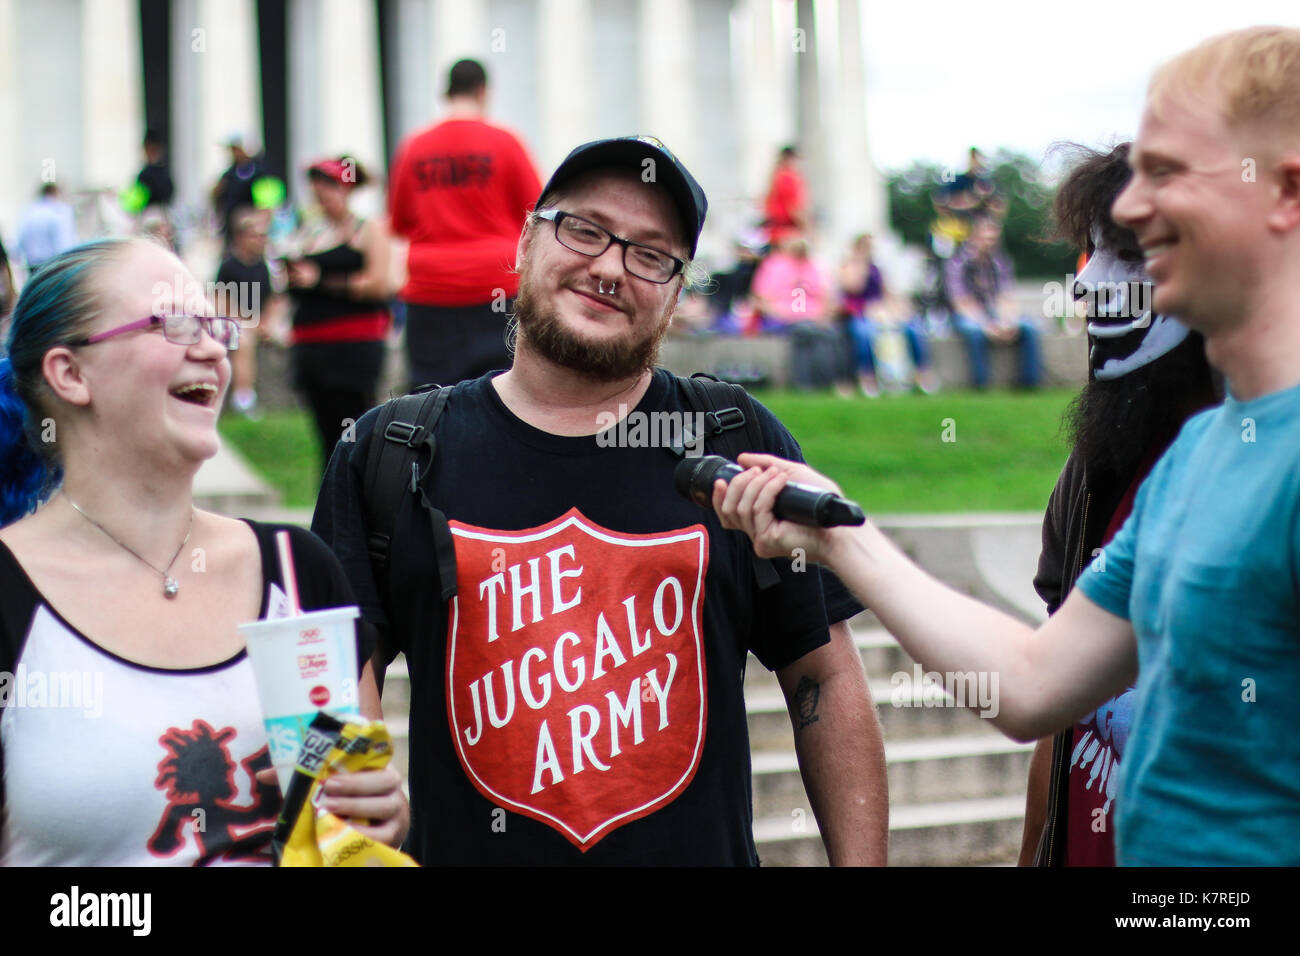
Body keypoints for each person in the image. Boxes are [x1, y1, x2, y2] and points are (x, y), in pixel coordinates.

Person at [713, 26, 1300, 866]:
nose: (1128, 209)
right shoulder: (1194, 461)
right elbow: (1031, 687)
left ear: (1284, 192)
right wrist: (836, 531)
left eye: (1167, 175)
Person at [313, 135, 887, 866]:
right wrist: (351, 810)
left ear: (678, 294)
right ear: (525, 240)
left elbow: (824, 674)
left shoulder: (735, 441)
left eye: (651, 254)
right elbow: (332, 678)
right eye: (584, 229)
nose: (611, 267)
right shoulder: (389, 452)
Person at [0, 237, 407, 865]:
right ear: (70, 373)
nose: (214, 347)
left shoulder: (299, 572)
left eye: (216, 325)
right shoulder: (10, 589)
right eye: (173, 323)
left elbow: (355, 821)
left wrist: (378, 817)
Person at [1018, 143, 1219, 867]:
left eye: (1129, 255)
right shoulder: (1092, 474)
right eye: (1088, 254)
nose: (1092, 286)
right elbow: (1053, 708)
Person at [388, 58, 542, 390]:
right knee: (501, 395)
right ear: (483, 91)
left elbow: (399, 222)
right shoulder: (506, 143)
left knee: (429, 399)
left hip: (430, 290)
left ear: (447, 92)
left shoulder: (414, 147)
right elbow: (536, 214)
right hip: (495, 284)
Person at [285, 157, 391, 469]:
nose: (322, 195)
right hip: (311, 344)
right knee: (324, 433)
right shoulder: (309, 231)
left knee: (355, 429)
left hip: (352, 346)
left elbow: (380, 283)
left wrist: (321, 281)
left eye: (330, 186)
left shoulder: (367, 228)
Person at [945, 216, 1042, 388]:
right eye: (986, 238)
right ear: (974, 237)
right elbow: (961, 301)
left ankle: (1029, 383)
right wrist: (987, 325)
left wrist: (1006, 321)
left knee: (1029, 328)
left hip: (995, 312)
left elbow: (1005, 297)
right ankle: (981, 383)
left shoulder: (1000, 262)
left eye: (994, 239)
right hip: (969, 314)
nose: (991, 243)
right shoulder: (958, 263)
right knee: (974, 332)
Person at [837, 233, 936, 396]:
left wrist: (898, 308)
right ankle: (867, 376)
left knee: (912, 328)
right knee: (864, 334)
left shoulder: (876, 269)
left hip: (879, 313)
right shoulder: (849, 267)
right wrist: (860, 263)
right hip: (858, 312)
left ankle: (921, 372)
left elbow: (886, 293)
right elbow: (855, 287)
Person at [216, 206, 284, 419]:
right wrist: (249, 320)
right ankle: (243, 398)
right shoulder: (229, 267)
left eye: (263, 236)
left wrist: (268, 322)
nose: (260, 241)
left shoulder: (264, 266)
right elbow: (221, 301)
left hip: (258, 323)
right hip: (237, 322)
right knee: (243, 340)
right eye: (255, 236)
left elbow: (274, 299)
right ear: (241, 237)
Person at [212, 135, 274, 253]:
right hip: (231, 224)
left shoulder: (259, 171)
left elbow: (266, 200)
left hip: (249, 221)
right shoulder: (230, 172)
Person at [16, 183, 77, 276]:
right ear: (56, 193)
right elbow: (63, 241)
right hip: (53, 263)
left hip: (33, 264)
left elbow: (20, 239)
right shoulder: (59, 211)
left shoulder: (29, 211)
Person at [762, 146, 809, 247]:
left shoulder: (776, 175)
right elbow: (794, 208)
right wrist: (809, 229)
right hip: (787, 232)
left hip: (774, 231)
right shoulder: (788, 177)